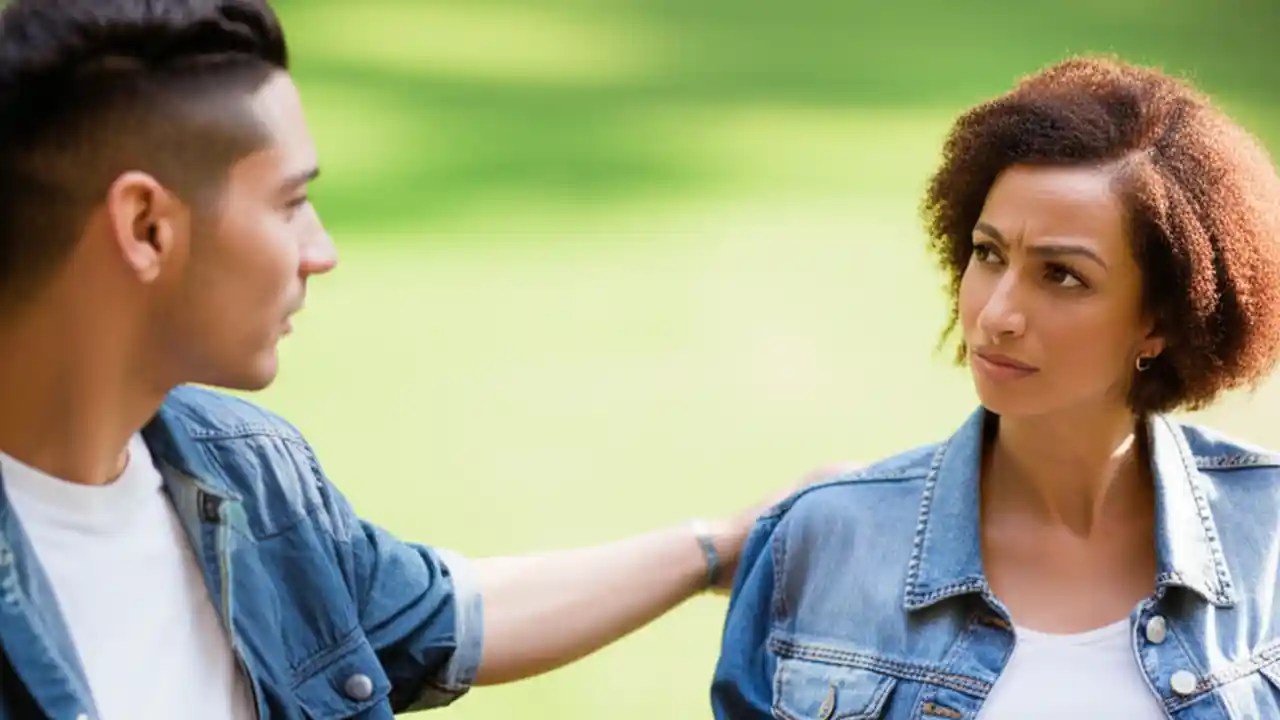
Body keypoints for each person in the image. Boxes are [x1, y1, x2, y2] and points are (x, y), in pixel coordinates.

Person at [0, 2, 794, 718]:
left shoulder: (247, 474)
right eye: (290, 202)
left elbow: (444, 613)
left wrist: (723, 544)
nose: (322, 252)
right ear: (146, 228)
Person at [712, 56, 1280, 719]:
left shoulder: (1267, 536)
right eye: (988, 255)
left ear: (1160, 320)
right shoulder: (823, 541)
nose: (998, 314)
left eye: (1061, 275)